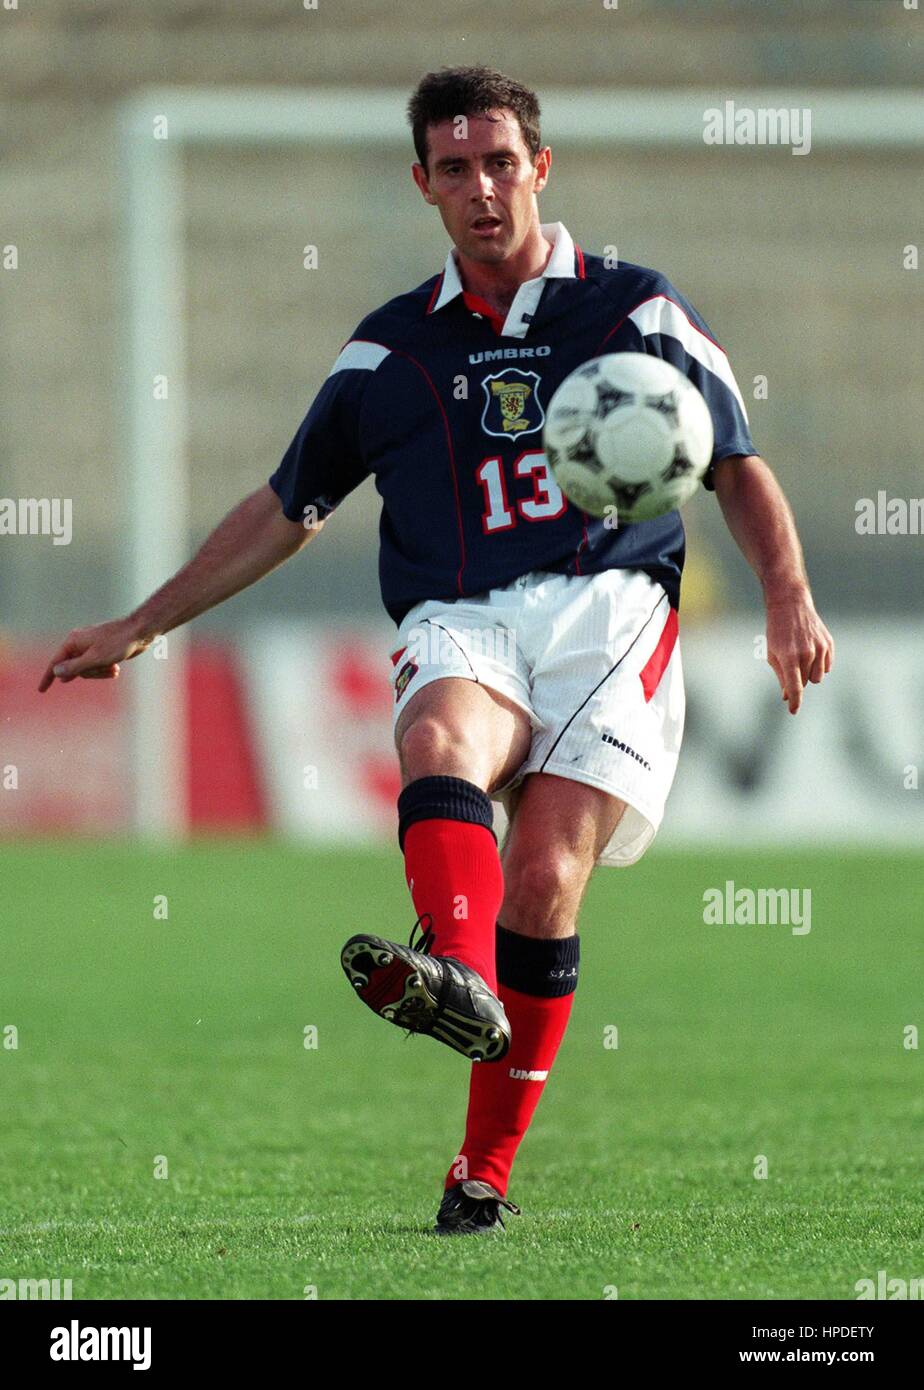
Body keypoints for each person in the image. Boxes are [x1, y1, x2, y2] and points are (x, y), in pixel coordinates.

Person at [39, 66, 834, 1236]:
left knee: (549, 878)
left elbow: (733, 462)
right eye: (453, 169)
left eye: (500, 163)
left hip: (610, 610)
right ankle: (455, 968)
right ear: (423, 184)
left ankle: (483, 1166)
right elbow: (283, 506)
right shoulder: (389, 352)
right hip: (462, 612)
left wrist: (787, 595)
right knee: (436, 735)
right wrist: (141, 623)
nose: (481, 188)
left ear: (540, 168)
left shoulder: (634, 310)